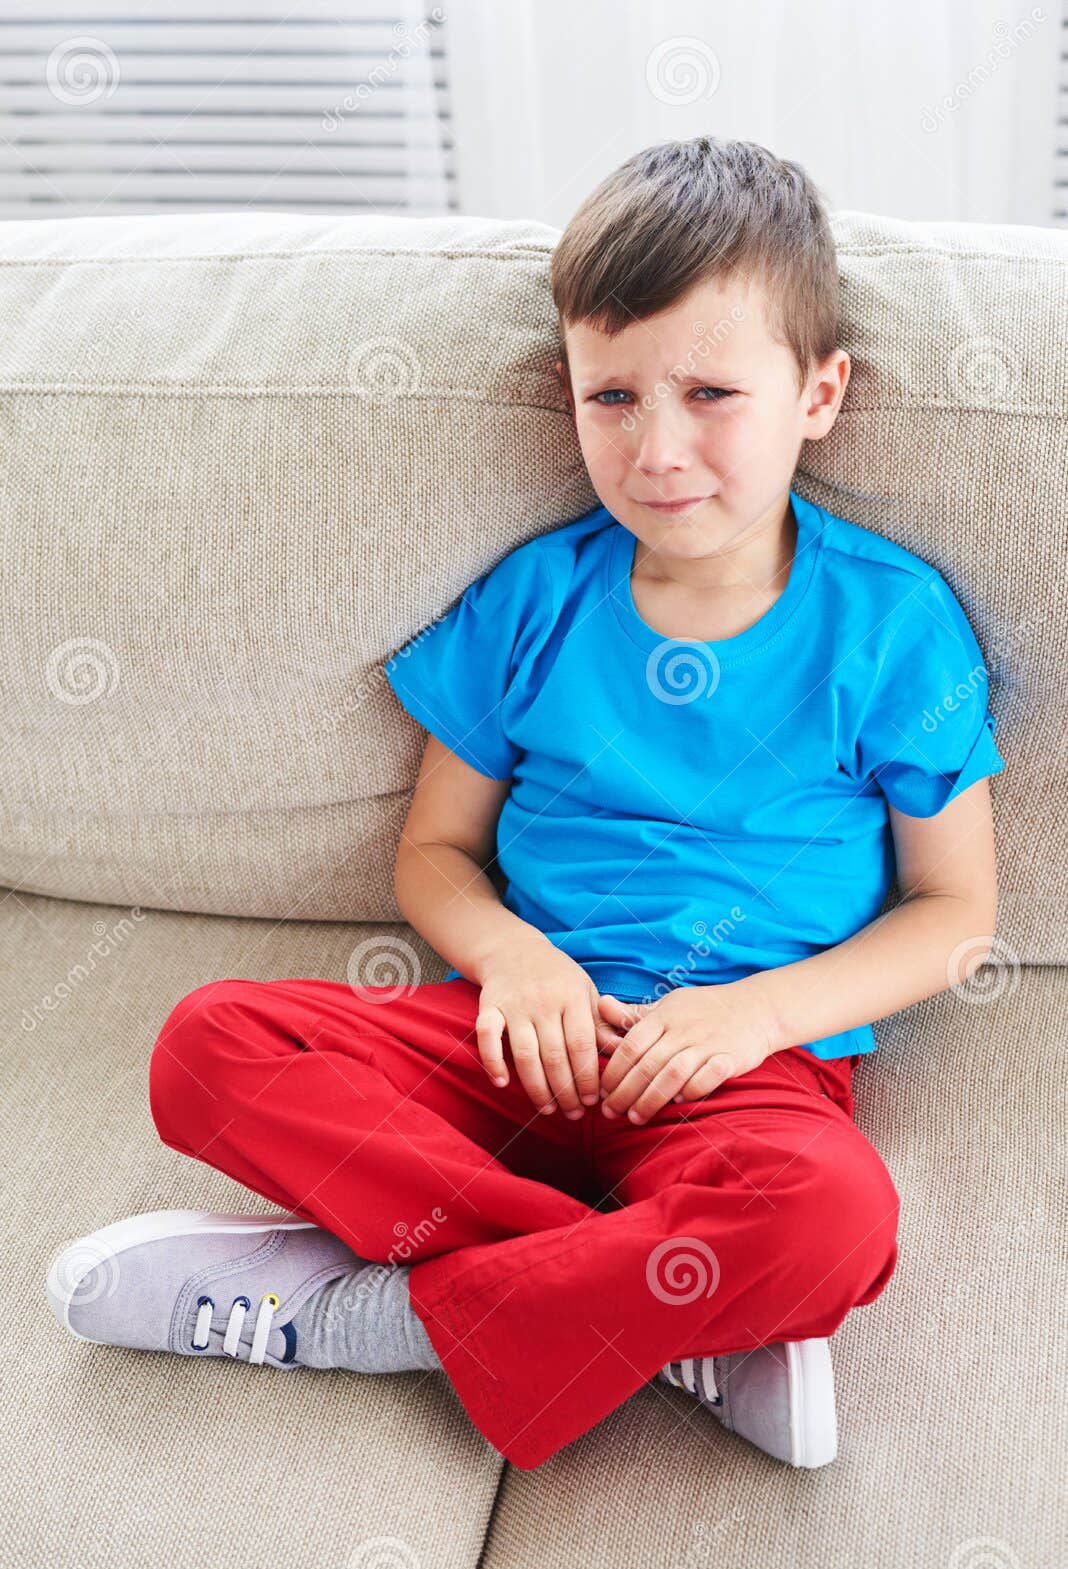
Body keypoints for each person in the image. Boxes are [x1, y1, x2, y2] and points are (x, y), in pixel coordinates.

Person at [46, 137, 1004, 1473]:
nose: (656, 448)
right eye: (611, 395)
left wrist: (756, 1015)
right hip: (511, 1040)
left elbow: (958, 912)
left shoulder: (894, 624)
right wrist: (516, 959)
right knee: (208, 1044)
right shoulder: (536, 600)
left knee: (834, 1220)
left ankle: (391, 1312)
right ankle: (650, 1311)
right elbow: (434, 853)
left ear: (819, 392)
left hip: (743, 1067)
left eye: (712, 391)